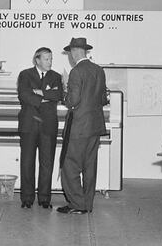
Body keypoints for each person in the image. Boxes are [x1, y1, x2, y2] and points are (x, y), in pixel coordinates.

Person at [57, 36, 106, 215]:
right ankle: (88, 204)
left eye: (70, 53)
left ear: (75, 52)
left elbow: (73, 100)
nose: (70, 56)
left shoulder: (76, 72)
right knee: (89, 166)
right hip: (94, 126)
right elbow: (103, 99)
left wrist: (64, 90)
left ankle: (77, 204)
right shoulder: (99, 70)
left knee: (70, 166)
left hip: (78, 127)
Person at [16, 46, 63, 209]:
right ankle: (27, 199)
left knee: (47, 163)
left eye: (51, 58)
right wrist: (45, 96)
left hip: (48, 126)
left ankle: (44, 199)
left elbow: (59, 95)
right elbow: (24, 95)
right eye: (46, 59)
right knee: (27, 163)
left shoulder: (56, 76)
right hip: (29, 125)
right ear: (37, 60)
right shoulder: (25, 74)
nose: (50, 62)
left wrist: (40, 93)